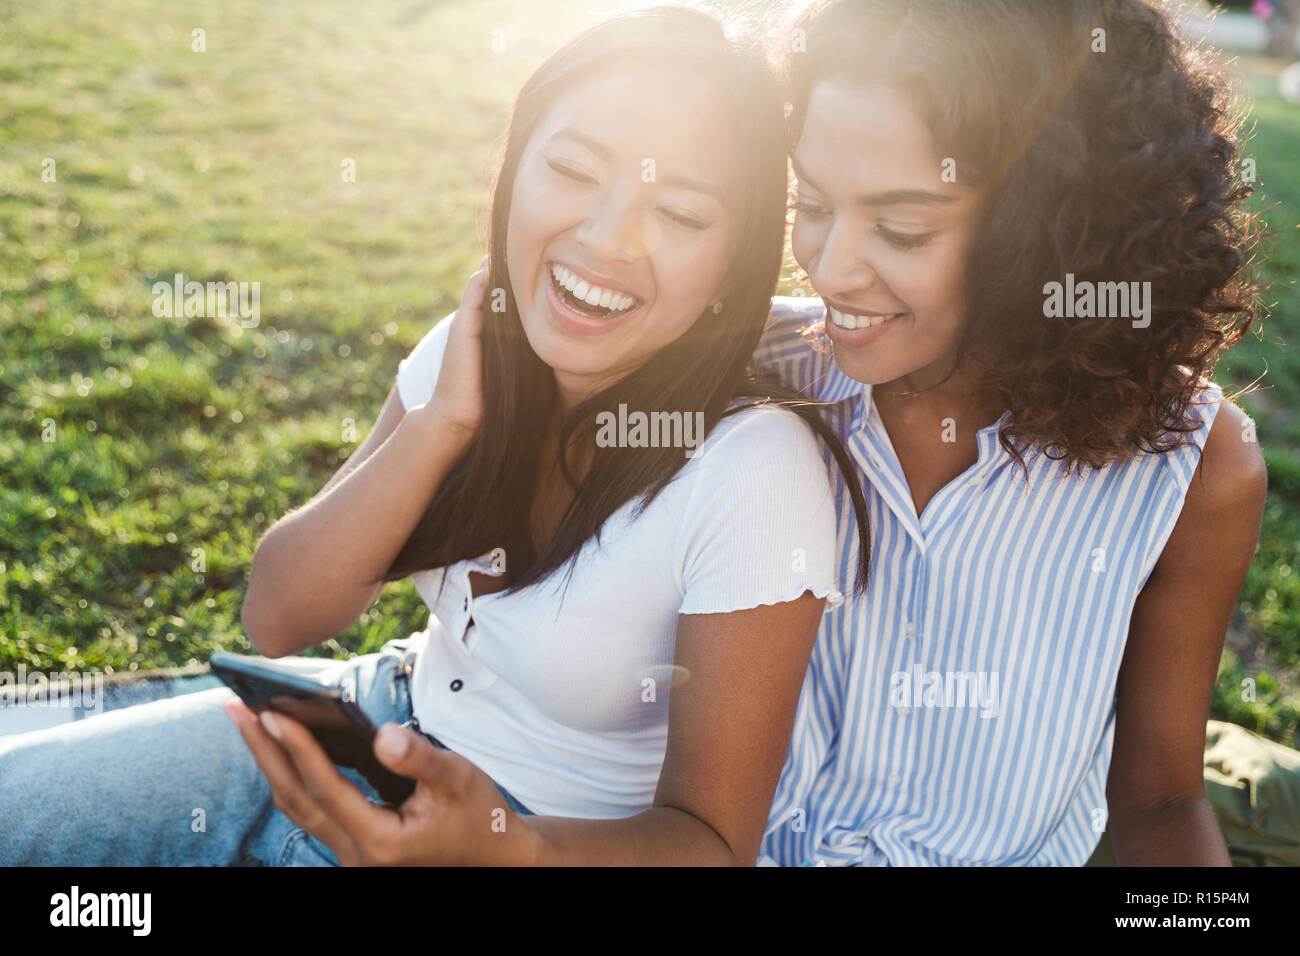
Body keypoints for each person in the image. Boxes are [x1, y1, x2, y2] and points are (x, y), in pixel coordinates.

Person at [0, 5, 869, 866]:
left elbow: (711, 845)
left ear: (733, 267)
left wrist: (506, 847)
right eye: (570, 168)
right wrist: (444, 425)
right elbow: (280, 617)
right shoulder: (470, 359)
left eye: (679, 214)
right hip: (365, 726)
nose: (608, 238)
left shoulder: (753, 470)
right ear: (513, 170)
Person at [755, 0, 1268, 866]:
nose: (831, 264)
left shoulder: (1196, 469)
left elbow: (1159, 803)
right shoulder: (748, 372)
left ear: (1056, 236)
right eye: (813, 201)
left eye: (902, 227)